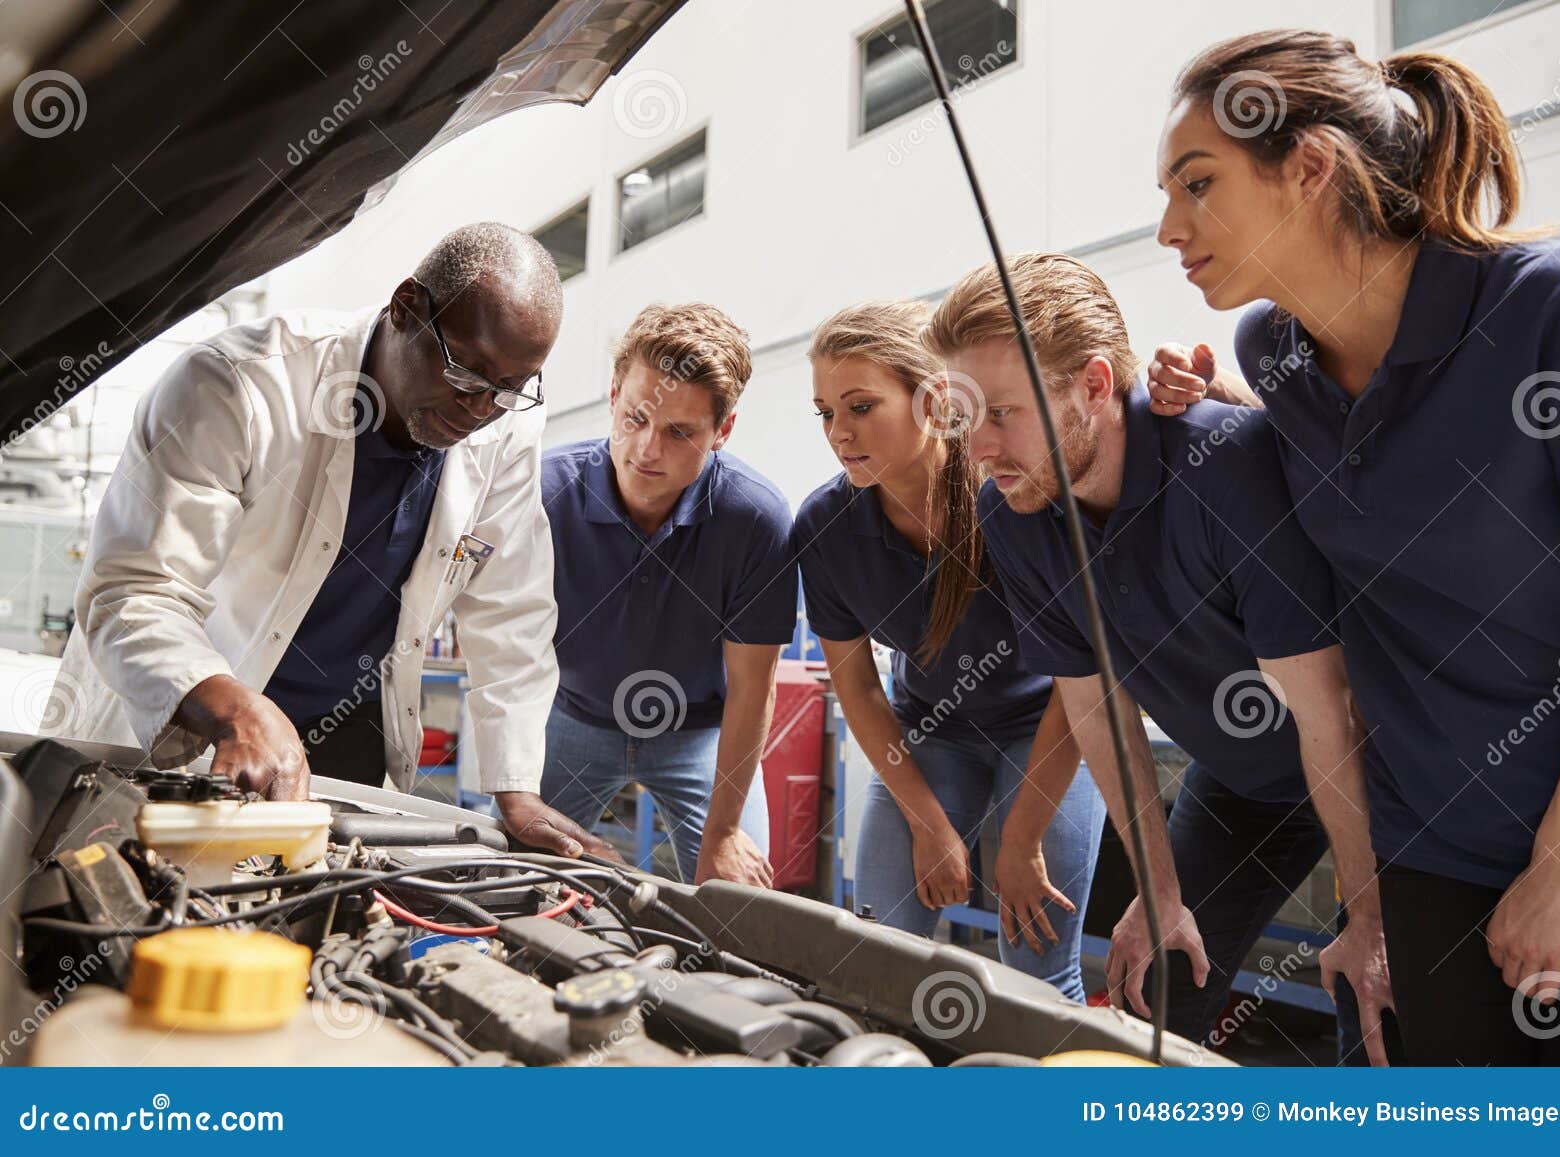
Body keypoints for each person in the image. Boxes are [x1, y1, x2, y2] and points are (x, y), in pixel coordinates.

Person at [1149, 30, 1560, 1064]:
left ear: (1310, 169)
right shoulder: (1276, 356)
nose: (1169, 224)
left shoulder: (1554, 313)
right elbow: (1357, 465)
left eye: (1198, 183)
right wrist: (1207, 400)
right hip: (1429, 854)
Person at [927, 252, 1395, 1062]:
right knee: (1157, 983)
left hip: (1377, 762)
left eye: (1003, 412)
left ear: (1096, 384)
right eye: (968, 417)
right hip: (1245, 778)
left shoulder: (1227, 460)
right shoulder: (1014, 516)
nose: (982, 449)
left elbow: (1329, 710)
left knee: (1383, 1004)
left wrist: (1371, 917)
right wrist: (1160, 887)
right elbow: (1096, 705)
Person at [52, 223, 612, 857]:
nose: (480, 408)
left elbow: (512, 614)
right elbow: (134, 589)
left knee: (323, 933)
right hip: (186, 716)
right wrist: (234, 710)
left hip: (346, 734)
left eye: (510, 387)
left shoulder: (504, 429)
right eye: (467, 371)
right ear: (406, 308)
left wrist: (515, 790)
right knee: (144, 910)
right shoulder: (238, 385)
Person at [793, 300, 1105, 996]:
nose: (838, 433)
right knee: (877, 954)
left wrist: (1021, 840)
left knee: (1038, 968)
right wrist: (929, 822)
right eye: (824, 412)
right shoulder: (825, 525)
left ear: (932, 399)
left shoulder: (1015, 492)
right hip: (930, 731)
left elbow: (1081, 682)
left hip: (1048, 725)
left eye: (861, 406)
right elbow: (860, 691)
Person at [538, 303, 796, 886]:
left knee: (738, 901)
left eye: (680, 432)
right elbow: (503, 647)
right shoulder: (547, 493)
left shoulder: (756, 518)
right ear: (612, 397)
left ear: (722, 431)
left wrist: (725, 834)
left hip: (700, 734)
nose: (647, 450)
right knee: (516, 878)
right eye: (635, 418)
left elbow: (755, 687)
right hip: (574, 718)